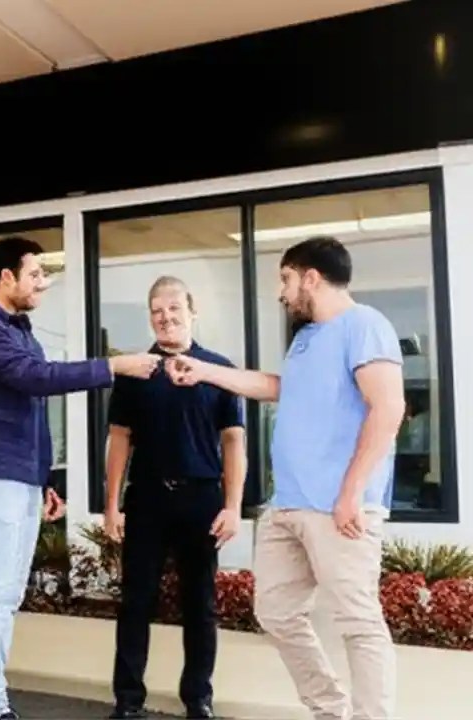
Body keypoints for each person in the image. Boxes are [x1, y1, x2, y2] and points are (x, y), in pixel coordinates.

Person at [165, 236, 405, 720]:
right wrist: (205, 372)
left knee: (359, 623)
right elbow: (277, 387)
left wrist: (351, 492)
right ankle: (331, 709)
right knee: (275, 610)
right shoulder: (306, 338)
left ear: (311, 277)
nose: (282, 291)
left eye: (286, 279)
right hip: (289, 504)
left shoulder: (366, 326)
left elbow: (389, 407)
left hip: (340, 507)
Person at [0, 235, 161, 720]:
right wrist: (115, 365)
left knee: (5, 599)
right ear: (7, 277)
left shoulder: (20, 329)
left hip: (18, 478)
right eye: (36, 274)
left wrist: (44, 481)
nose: (44, 282)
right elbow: (37, 379)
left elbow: (31, 407)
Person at [103, 277, 246, 720]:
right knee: (135, 601)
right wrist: (111, 505)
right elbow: (119, 440)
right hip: (146, 499)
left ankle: (198, 698)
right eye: (157, 312)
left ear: (192, 311)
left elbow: (234, 442)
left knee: (199, 604)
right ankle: (128, 701)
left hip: (202, 499)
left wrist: (234, 505)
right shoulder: (135, 372)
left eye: (174, 310)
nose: (166, 318)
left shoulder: (217, 370)